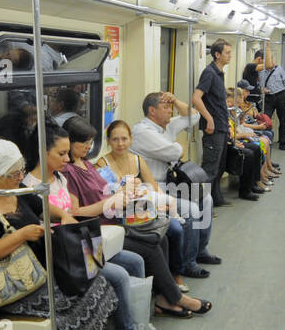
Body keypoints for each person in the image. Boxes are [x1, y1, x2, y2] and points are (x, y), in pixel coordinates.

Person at [0, 134, 119, 330]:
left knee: (95, 281)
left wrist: (65, 216)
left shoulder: (17, 192)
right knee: (71, 297)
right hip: (18, 285)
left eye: (19, 171)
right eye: (13, 173)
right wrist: (22, 235)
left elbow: (43, 206)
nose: (18, 177)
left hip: (42, 272)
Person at [59, 116, 210, 320]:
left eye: (90, 142)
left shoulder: (86, 163)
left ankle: (163, 297)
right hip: (100, 229)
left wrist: (126, 192)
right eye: (83, 142)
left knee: (162, 237)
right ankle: (174, 298)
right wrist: (110, 202)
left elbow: (107, 191)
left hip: (116, 219)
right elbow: (75, 211)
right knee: (151, 244)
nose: (88, 146)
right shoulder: (69, 172)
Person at [97, 117, 204, 282]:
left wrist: (162, 204)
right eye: (115, 139)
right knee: (165, 234)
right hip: (121, 212)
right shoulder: (102, 164)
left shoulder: (138, 160)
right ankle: (162, 279)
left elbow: (153, 186)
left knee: (175, 229)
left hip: (145, 207)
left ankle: (175, 273)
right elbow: (105, 196)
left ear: (131, 139)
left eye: (124, 139)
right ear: (109, 141)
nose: (120, 144)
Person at [128, 91, 219, 275]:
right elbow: (175, 152)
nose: (170, 111)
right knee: (191, 209)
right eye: (165, 107)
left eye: (170, 107)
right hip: (153, 187)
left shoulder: (165, 126)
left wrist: (176, 101)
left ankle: (200, 250)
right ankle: (188, 264)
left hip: (171, 183)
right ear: (152, 111)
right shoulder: (142, 131)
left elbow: (194, 116)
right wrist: (178, 147)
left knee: (206, 199)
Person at [193, 40, 232, 207]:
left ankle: (215, 199)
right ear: (217, 54)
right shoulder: (209, 73)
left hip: (222, 126)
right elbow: (196, 98)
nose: (230, 56)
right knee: (209, 169)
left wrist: (228, 125)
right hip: (213, 128)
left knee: (219, 166)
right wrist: (209, 118)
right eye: (227, 53)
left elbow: (219, 103)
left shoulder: (219, 73)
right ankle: (199, 206)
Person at [258, 46, 285, 151]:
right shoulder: (260, 71)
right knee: (266, 120)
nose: (271, 62)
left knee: (283, 120)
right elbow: (256, 84)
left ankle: (282, 142)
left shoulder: (279, 69)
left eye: (271, 59)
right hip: (268, 98)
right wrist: (261, 89)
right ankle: (267, 140)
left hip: (281, 96)